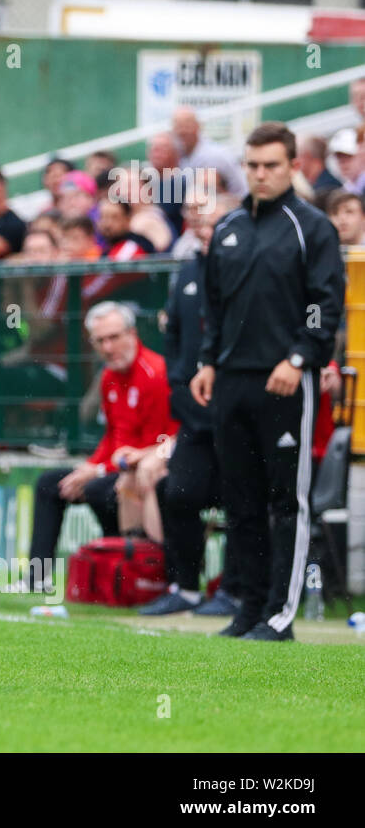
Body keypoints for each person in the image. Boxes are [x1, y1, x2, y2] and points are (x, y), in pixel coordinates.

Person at [191, 122, 345, 641]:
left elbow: (326, 304)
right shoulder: (229, 227)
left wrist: (300, 357)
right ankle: (248, 607)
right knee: (241, 501)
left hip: (285, 383)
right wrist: (208, 361)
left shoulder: (313, 229)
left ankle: (280, 615)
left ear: (293, 166)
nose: (259, 174)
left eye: (271, 165)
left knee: (286, 501)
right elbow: (215, 306)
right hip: (230, 381)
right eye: (252, 165)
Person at [137, 198, 242, 616]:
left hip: (235, 409)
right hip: (193, 415)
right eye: (198, 219)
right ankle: (186, 587)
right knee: (178, 494)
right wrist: (180, 386)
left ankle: (234, 591)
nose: (204, 227)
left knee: (243, 501)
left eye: (212, 219)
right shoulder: (186, 272)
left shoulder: (240, 270)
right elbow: (175, 337)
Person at [26, 302, 176, 589]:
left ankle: (124, 573)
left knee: (97, 489)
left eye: (114, 337)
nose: (108, 347)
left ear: (132, 334)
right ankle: (36, 578)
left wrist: (96, 473)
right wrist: (92, 465)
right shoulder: (108, 377)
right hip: (112, 467)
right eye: (100, 341)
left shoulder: (155, 374)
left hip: (141, 470)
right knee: (49, 483)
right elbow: (111, 437)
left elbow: (157, 444)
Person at [172, 107, 247, 197]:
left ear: (198, 126)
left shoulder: (218, 155)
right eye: (178, 126)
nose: (182, 131)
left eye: (187, 125)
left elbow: (241, 190)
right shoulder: (175, 157)